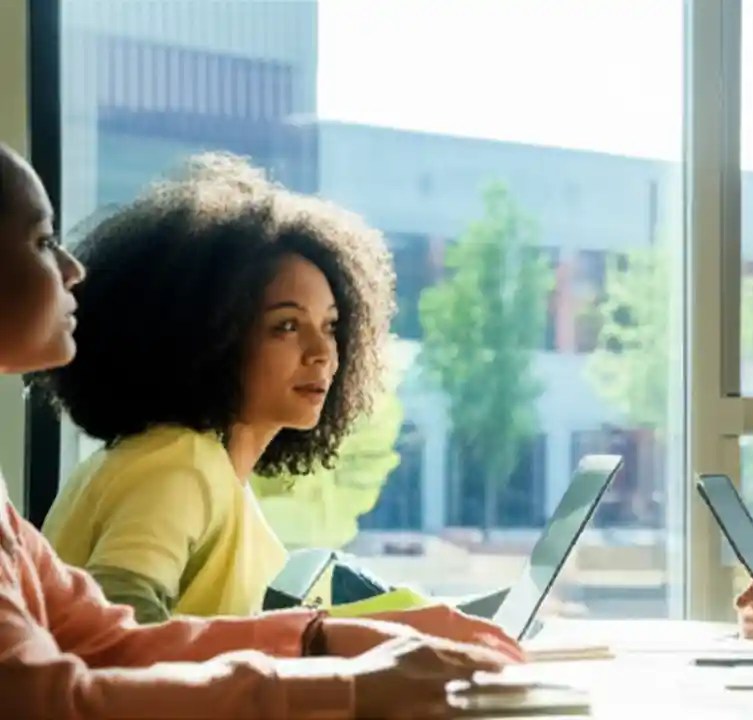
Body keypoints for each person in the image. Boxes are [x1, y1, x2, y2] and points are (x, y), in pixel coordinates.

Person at [0, 142, 511, 718]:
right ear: (206, 336)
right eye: (286, 326)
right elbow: (58, 690)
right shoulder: (177, 462)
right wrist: (347, 683)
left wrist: (335, 639)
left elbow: (107, 639)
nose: (73, 270)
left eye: (332, 327)